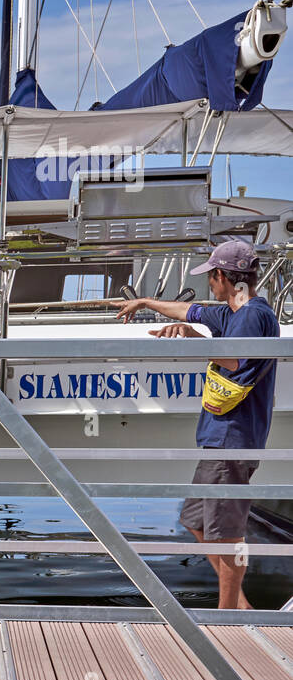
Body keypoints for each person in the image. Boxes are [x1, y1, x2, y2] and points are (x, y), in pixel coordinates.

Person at [116, 240, 279, 609]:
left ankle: (228, 618)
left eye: (212, 276)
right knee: (197, 522)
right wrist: (144, 303)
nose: (210, 284)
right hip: (219, 439)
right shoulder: (233, 313)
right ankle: (241, 606)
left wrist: (193, 341)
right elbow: (189, 310)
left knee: (226, 534)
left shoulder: (254, 315)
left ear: (224, 277)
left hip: (233, 439)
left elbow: (236, 360)